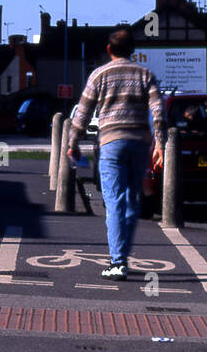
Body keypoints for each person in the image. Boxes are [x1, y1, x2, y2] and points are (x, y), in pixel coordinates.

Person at [68, 27, 167, 280]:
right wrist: (160, 144)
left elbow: (83, 111)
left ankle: (118, 261)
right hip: (138, 144)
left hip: (111, 143)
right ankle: (123, 254)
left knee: (113, 202)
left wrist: (73, 141)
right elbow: (158, 110)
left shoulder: (99, 75)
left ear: (109, 49)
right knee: (132, 200)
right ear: (133, 50)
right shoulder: (145, 75)